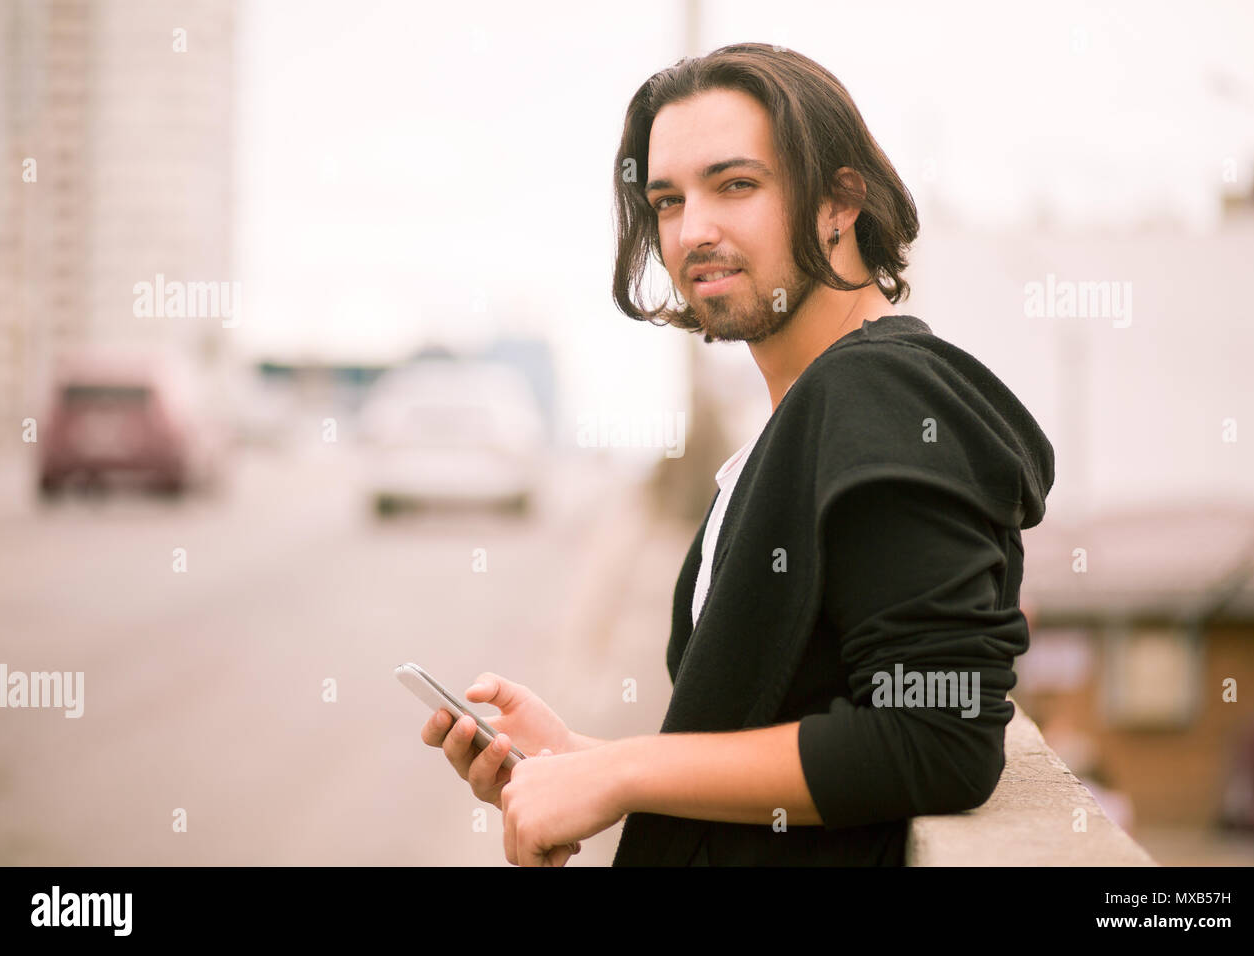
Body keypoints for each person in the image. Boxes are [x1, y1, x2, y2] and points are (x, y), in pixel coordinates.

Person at [421, 42, 1054, 867]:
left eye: (736, 185)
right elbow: (778, 723)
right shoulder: (798, 422)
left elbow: (937, 738)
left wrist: (626, 771)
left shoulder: (880, 396)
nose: (694, 231)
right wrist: (582, 762)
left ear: (841, 201)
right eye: (668, 200)